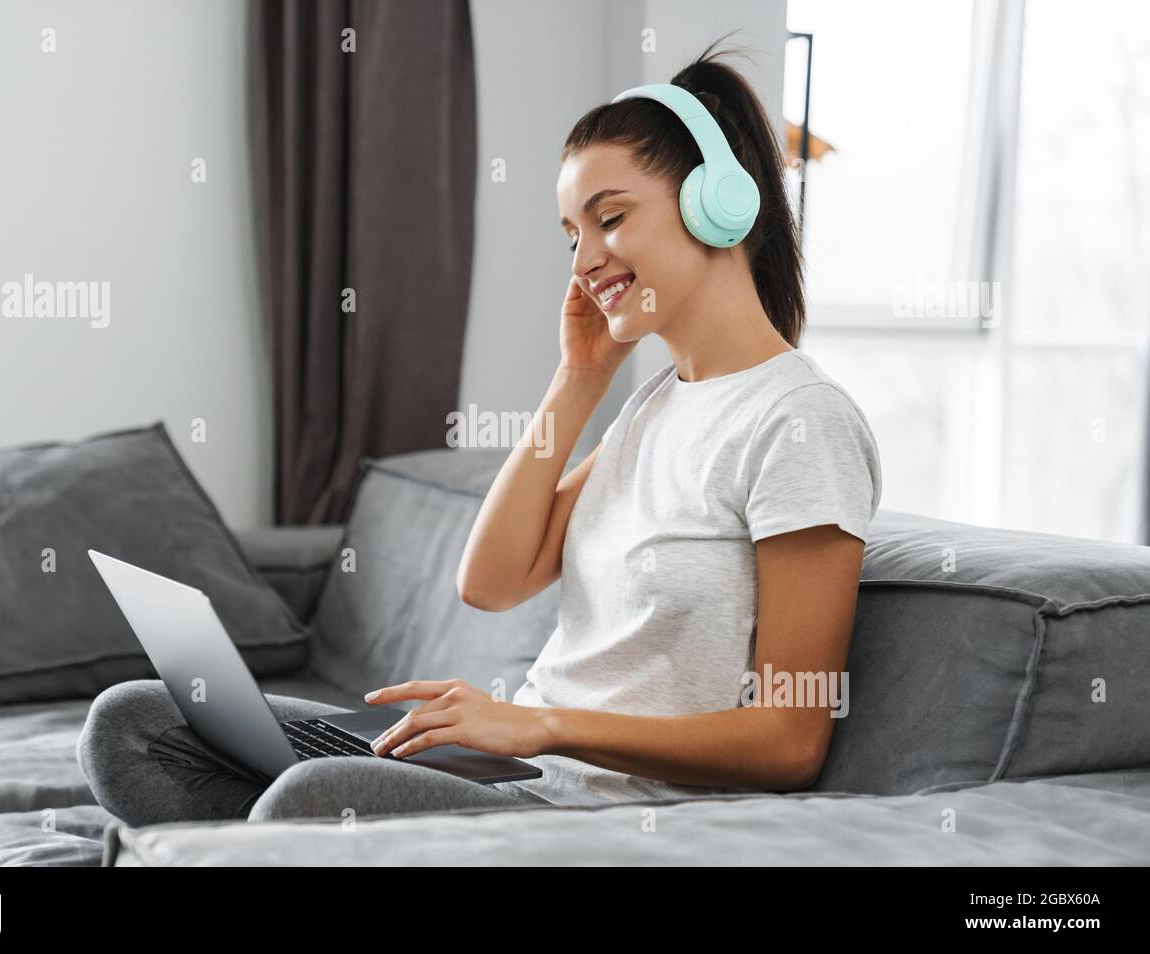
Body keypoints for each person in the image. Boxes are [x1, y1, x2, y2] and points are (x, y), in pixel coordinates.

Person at [77, 35, 881, 826]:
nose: (585, 261)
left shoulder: (798, 421)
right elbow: (490, 581)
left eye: (610, 219)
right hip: (516, 775)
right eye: (573, 235)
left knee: (307, 799)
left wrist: (542, 724)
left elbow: (790, 739)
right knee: (136, 724)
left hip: (599, 813)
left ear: (718, 204)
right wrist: (579, 378)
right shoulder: (656, 407)